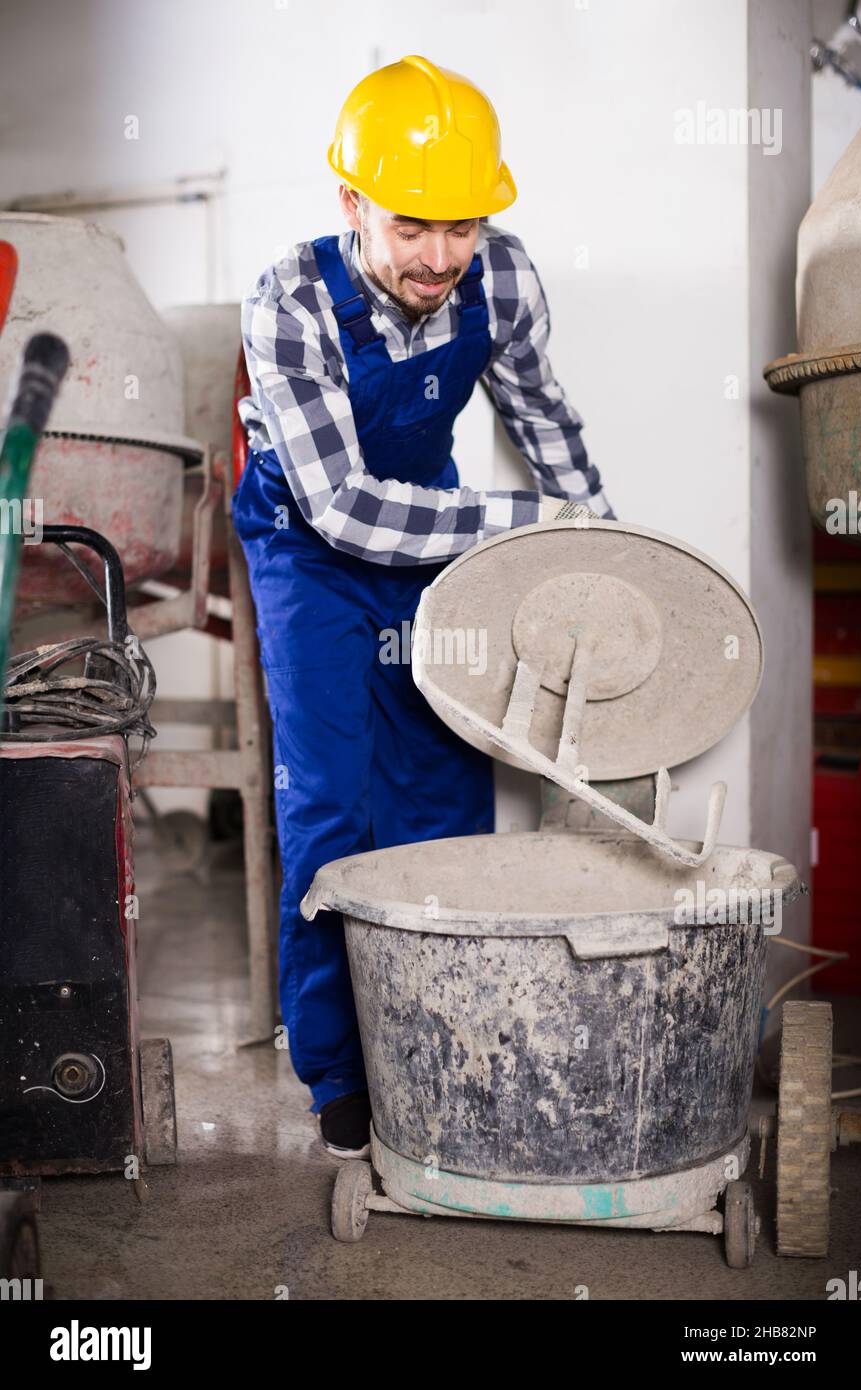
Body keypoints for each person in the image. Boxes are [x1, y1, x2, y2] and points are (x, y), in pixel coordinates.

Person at [232, 54, 615, 1157]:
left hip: (432, 537)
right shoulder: (289, 302)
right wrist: (524, 526)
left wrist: (594, 536)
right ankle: (340, 1074)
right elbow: (345, 507)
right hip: (310, 543)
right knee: (330, 808)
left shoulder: (498, 276)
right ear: (351, 203)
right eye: (412, 228)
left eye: (460, 226)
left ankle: (448, 1049)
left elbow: (542, 417)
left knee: (443, 792)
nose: (439, 257)